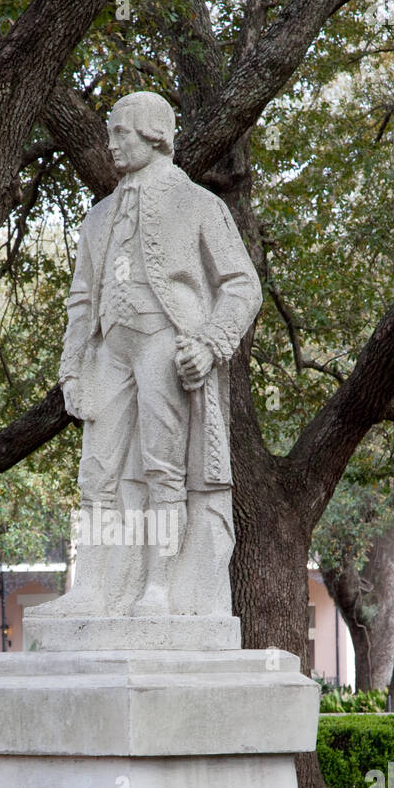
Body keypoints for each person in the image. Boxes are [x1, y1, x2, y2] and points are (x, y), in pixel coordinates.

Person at [36, 90, 261, 619]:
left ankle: (160, 585)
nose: (110, 143)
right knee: (97, 470)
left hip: (166, 343)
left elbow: (242, 285)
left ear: (156, 135)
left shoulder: (200, 206)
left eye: (121, 132)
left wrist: (210, 343)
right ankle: (95, 585)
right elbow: (81, 299)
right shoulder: (97, 219)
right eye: (111, 131)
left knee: (165, 469)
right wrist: (71, 369)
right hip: (110, 351)